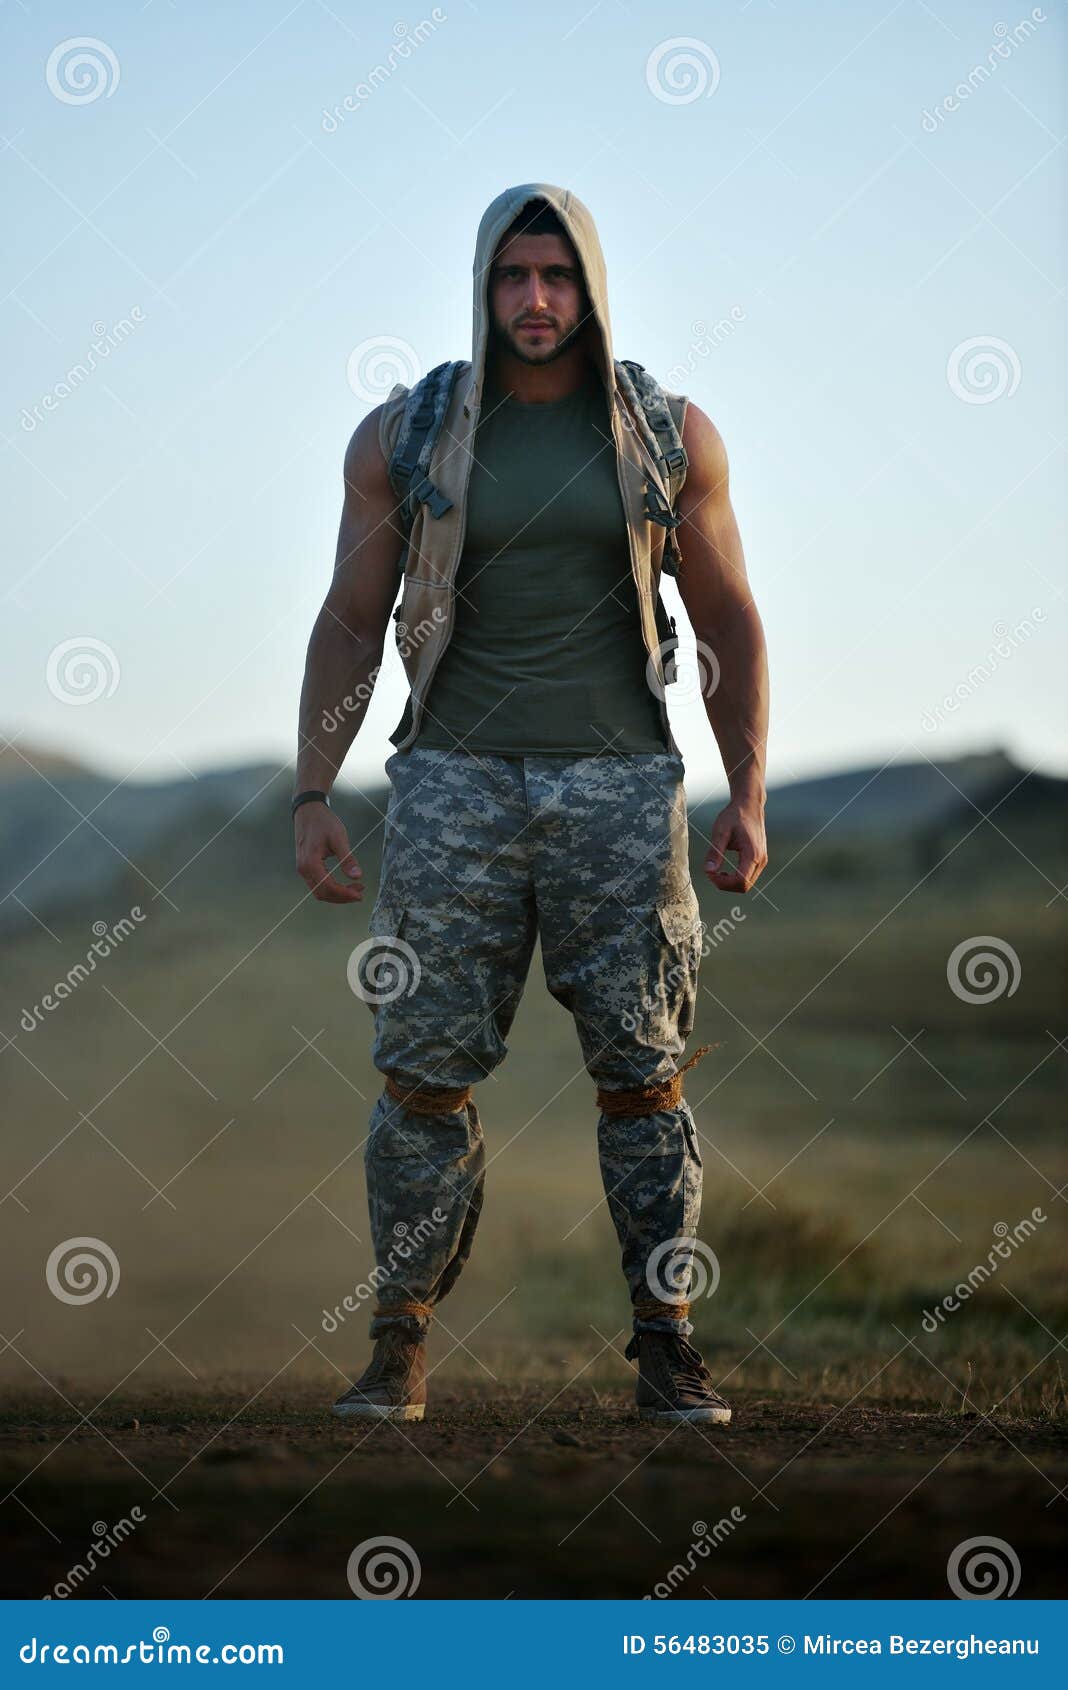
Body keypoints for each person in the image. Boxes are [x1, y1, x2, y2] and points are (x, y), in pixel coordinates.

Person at [293, 183, 769, 1426]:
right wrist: (313, 791)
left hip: (623, 783)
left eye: (558, 276)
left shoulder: (669, 435)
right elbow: (350, 621)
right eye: (514, 277)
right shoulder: (408, 434)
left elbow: (727, 619)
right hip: (452, 782)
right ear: (483, 287)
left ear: (591, 286)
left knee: (646, 1076)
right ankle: (398, 1346)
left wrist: (749, 791)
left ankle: (667, 1346)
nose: (537, 299)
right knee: (420, 1076)